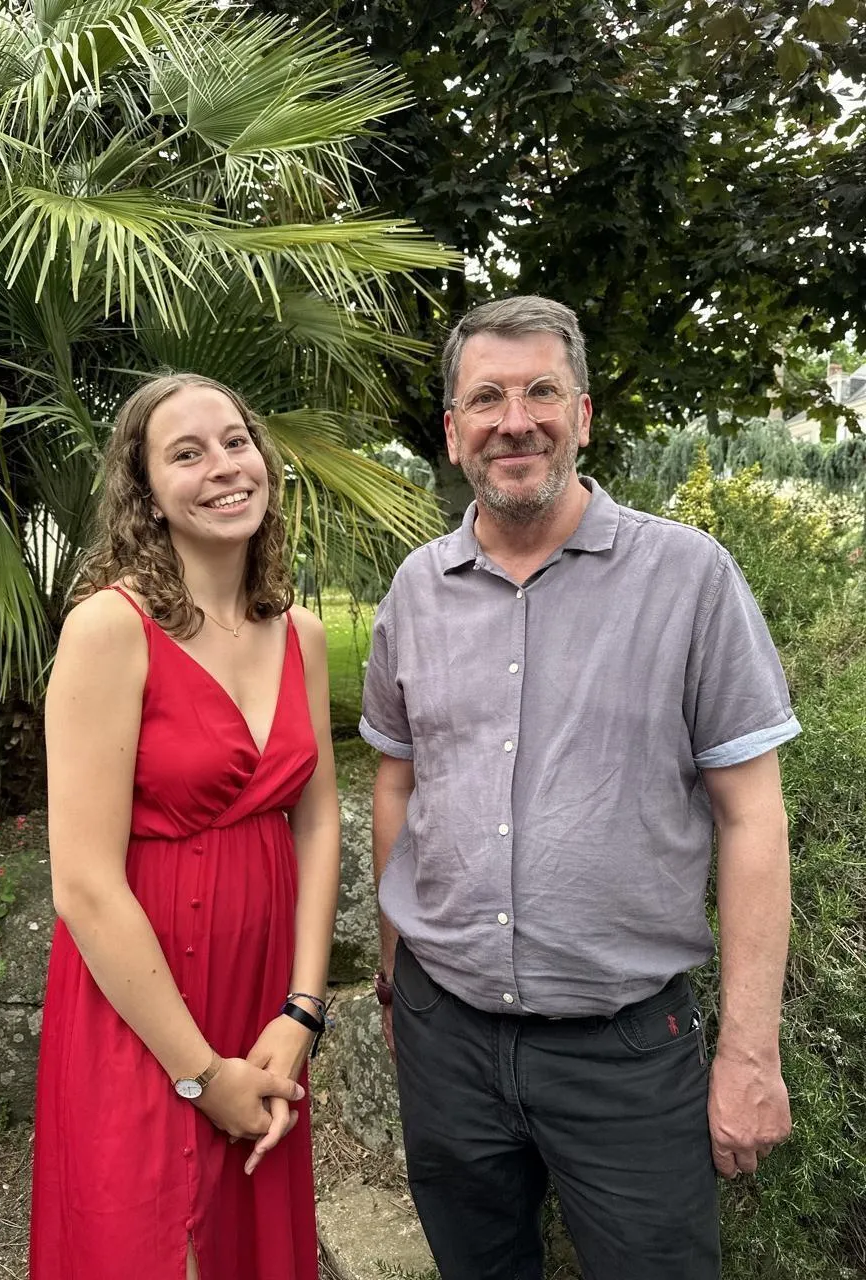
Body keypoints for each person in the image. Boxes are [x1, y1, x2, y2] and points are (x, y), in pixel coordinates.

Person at [361, 297, 797, 1280]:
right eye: (486, 397)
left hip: (626, 1056)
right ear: (453, 431)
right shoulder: (415, 592)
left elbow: (752, 814)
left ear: (584, 413)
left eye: (540, 390)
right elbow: (398, 782)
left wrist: (750, 1051)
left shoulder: (689, 579)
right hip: (449, 1039)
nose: (515, 419)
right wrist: (395, 979)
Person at [30, 373, 340, 1280]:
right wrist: (202, 1072)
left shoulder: (303, 636)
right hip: (138, 1003)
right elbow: (82, 882)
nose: (222, 467)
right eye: (187, 452)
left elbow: (318, 822)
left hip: (264, 1001)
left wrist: (302, 1011)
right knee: (138, 1238)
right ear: (148, 492)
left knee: (250, 1241)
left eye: (235, 441)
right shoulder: (107, 631)